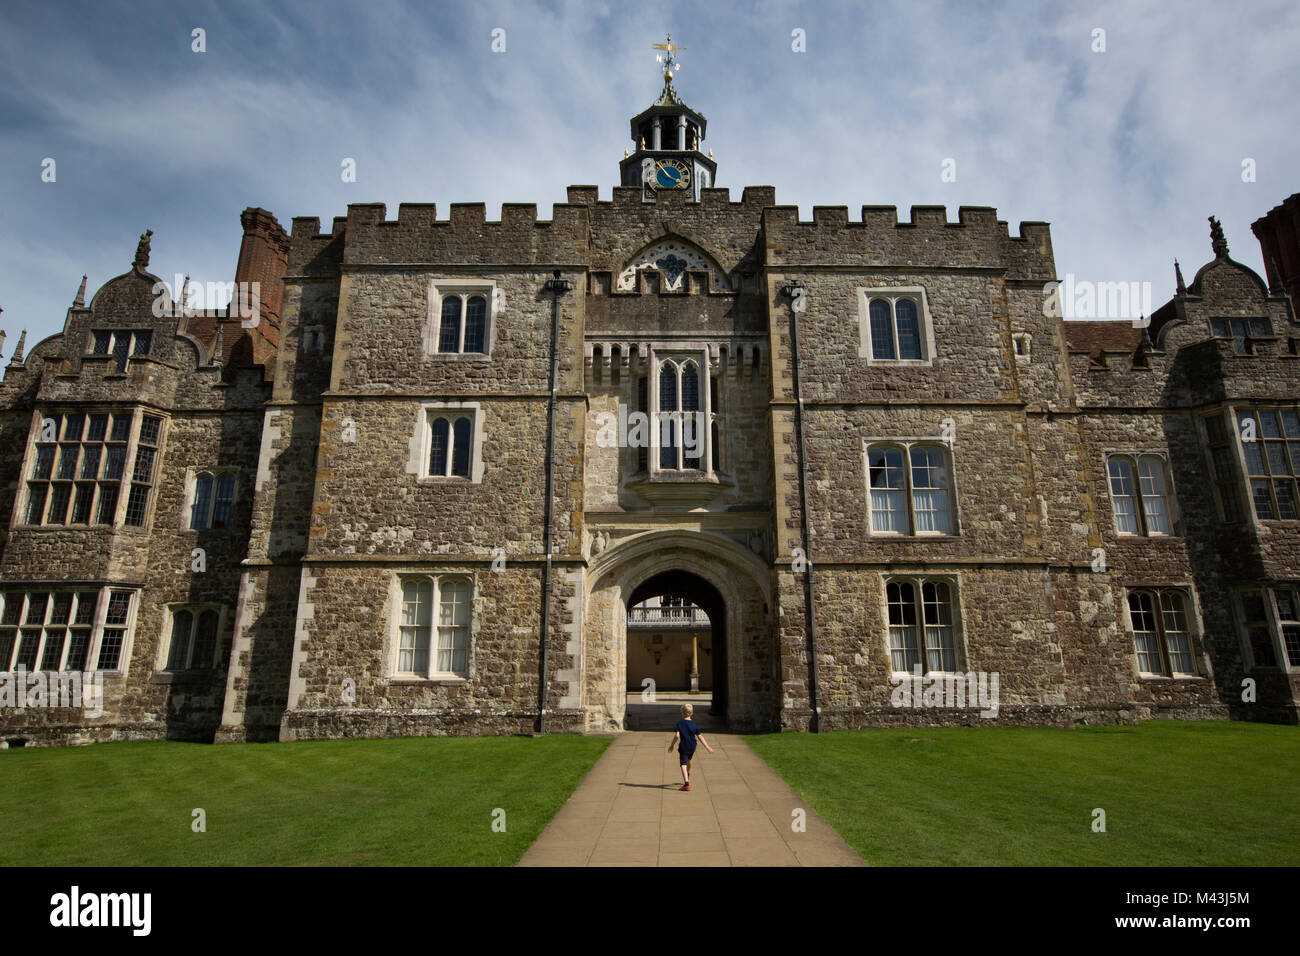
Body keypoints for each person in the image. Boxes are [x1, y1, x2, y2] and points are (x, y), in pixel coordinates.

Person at [667, 702, 713, 791]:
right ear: (691, 713)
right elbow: (700, 736)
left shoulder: (679, 723)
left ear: (682, 712)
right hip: (692, 746)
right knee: (689, 760)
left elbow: (677, 736)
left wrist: (671, 745)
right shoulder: (694, 724)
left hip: (684, 746)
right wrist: (707, 747)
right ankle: (687, 774)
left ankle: (686, 784)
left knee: (683, 764)